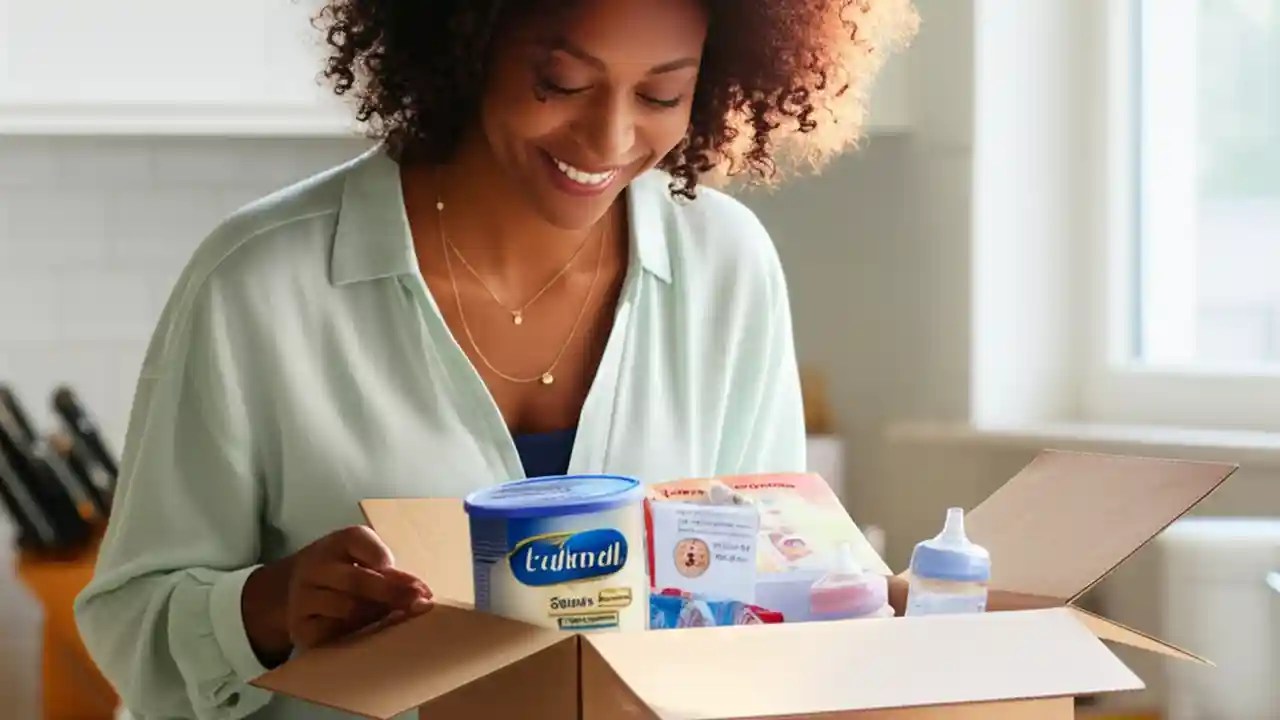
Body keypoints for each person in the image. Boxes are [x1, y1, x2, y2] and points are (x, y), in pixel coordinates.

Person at [74, 0, 917, 718]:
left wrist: (876, 606)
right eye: (562, 83)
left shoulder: (725, 267)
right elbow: (129, 620)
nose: (610, 137)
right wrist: (269, 606)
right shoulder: (260, 281)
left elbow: (766, 583)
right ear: (466, 42)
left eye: (662, 94)